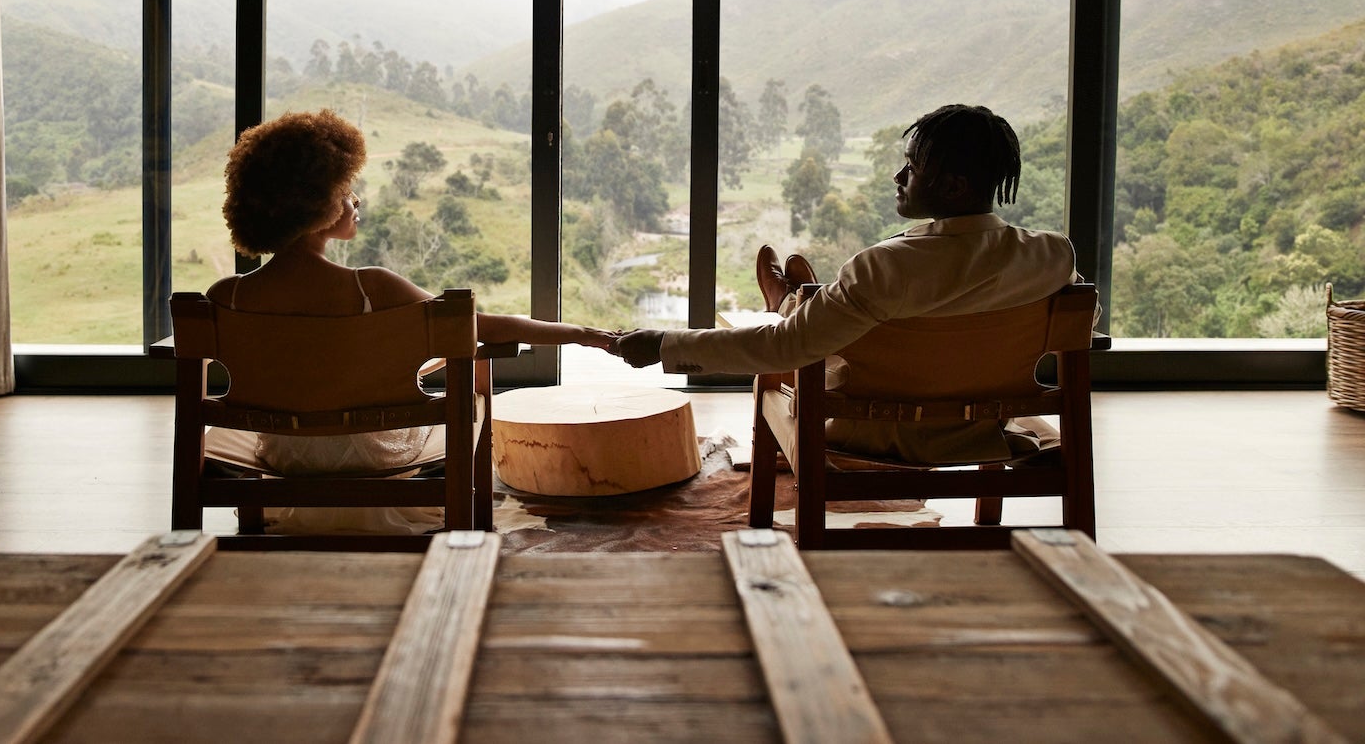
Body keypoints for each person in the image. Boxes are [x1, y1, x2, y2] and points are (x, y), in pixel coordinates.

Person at [209, 108, 617, 534]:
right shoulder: (374, 289)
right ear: (316, 203)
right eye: (347, 190)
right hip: (375, 456)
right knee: (460, 401)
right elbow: (482, 326)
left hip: (284, 456)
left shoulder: (227, 297)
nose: (356, 200)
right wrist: (582, 334)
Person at [613, 103, 1084, 465]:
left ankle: (792, 302)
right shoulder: (1051, 256)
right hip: (983, 425)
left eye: (913, 168)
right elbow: (1077, 325)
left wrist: (663, 344)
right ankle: (801, 300)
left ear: (954, 187)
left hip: (879, 427)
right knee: (834, 322)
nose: (898, 177)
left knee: (794, 354)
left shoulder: (885, 268)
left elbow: (784, 350)